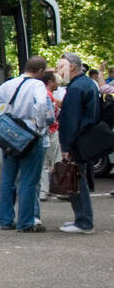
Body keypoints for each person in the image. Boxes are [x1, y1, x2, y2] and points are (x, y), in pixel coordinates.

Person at [0, 55, 52, 232]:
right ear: (41, 71)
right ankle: (26, 222)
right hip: (29, 136)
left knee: (8, 179)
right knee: (29, 180)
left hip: (9, 136)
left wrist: (1, 122)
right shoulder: (38, 85)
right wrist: (40, 125)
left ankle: (5, 220)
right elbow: (42, 105)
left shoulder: (10, 83)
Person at [56, 51, 100, 234]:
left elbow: (70, 119)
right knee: (79, 179)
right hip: (86, 138)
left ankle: (83, 221)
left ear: (71, 67)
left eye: (60, 67)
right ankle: (82, 219)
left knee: (76, 180)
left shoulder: (75, 88)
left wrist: (66, 146)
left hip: (77, 140)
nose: (58, 70)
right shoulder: (88, 83)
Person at [38, 70, 62, 202]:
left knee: (49, 162)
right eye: (55, 80)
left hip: (48, 131)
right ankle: (47, 190)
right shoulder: (48, 96)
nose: (57, 83)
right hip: (51, 132)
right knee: (50, 162)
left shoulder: (46, 94)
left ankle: (46, 189)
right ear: (50, 82)